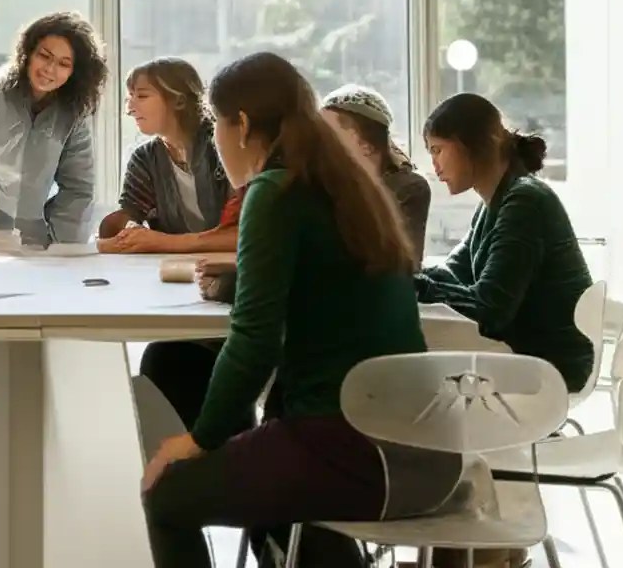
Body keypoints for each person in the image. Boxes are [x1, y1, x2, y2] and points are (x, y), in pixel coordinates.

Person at [141, 52, 455, 568]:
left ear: (240, 125)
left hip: (355, 451)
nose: (214, 140)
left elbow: (254, 342)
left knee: (167, 496)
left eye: (215, 125)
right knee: (267, 459)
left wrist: (197, 441)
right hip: (427, 448)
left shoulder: (274, 191)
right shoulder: (348, 186)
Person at [417, 92, 594, 392]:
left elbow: (490, 309)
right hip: (528, 353)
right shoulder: (493, 205)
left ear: (471, 144)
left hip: (551, 365)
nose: (433, 164)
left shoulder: (525, 201)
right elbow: (451, 274)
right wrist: (401, 272)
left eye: (437, 149)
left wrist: (412, 284)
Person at [0, 11, 106, 246]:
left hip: (34, 246)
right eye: (44, 56)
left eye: (63, 64)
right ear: (27, 52)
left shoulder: (73, 115)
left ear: (75, 72)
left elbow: (79, 188)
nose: (49, 69)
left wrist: (57, 245)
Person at [97, 57, 234, 254]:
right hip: (179, 267)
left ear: (178, 100)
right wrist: (123, 232)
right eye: (130, 97)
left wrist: (164, 242)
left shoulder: (223, 145)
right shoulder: (144, 158)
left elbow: (243, 230)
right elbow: (129, 213)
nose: (129, 109)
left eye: (142, 96)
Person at [320, 84, 431, 265]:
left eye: (330, 134)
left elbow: (403, 266)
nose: (320, 142)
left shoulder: (409, 189)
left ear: (367, 145)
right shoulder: (319, 186)